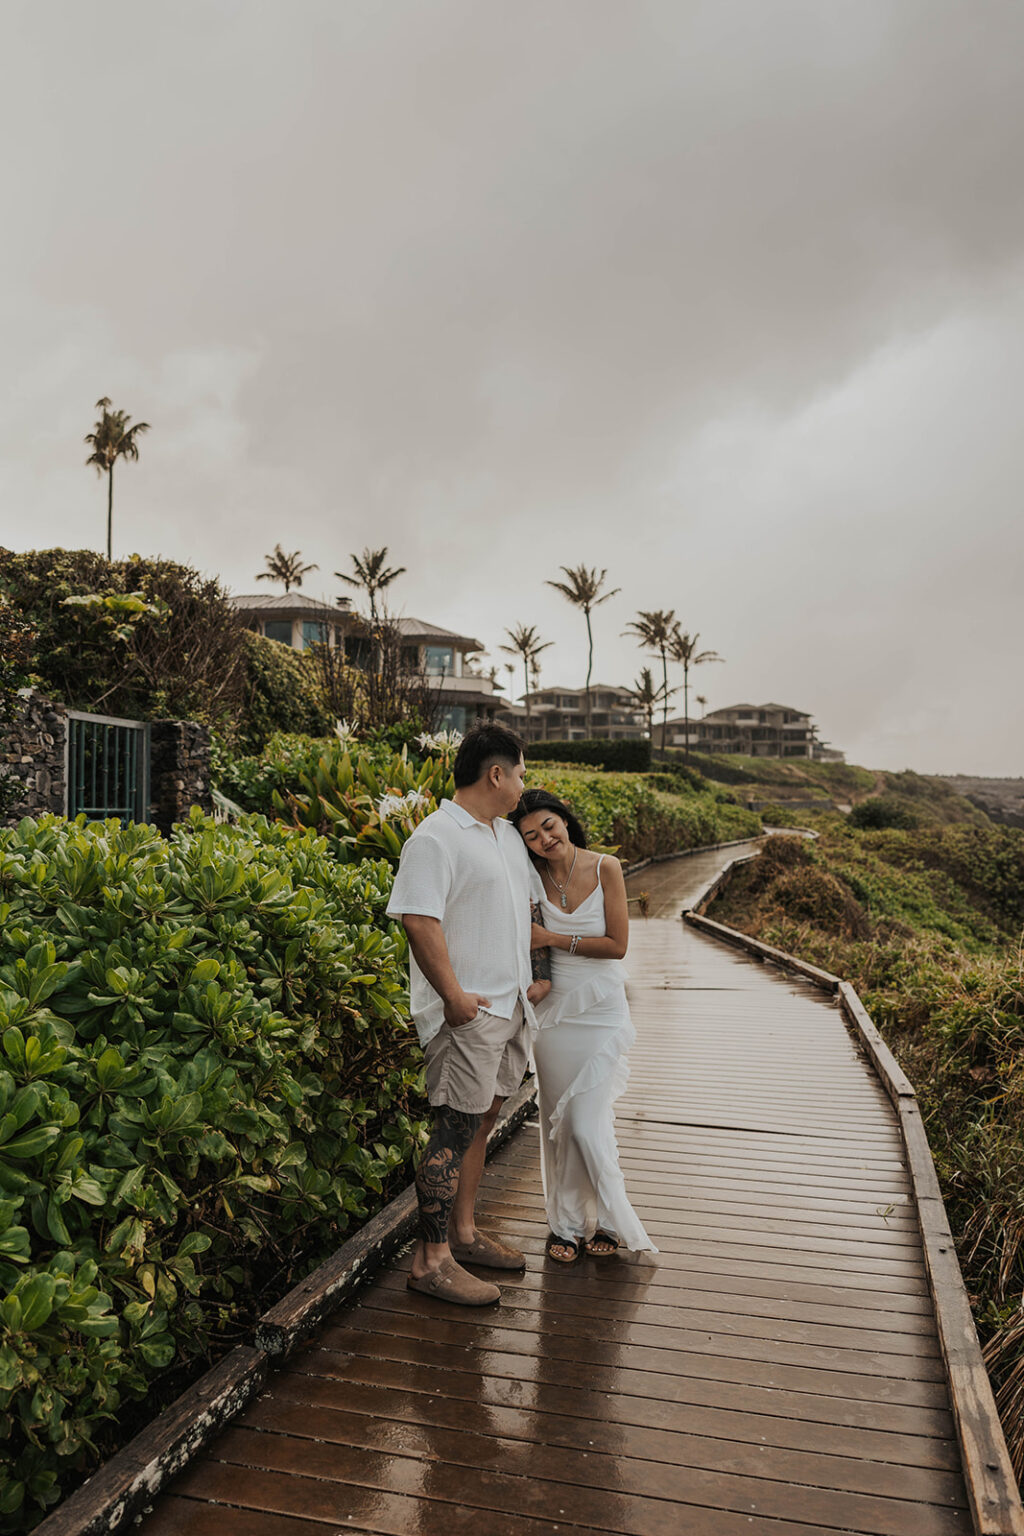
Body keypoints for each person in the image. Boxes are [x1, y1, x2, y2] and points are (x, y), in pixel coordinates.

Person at [387, 724, 551, 1306]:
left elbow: (522, 911)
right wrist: (454, 998)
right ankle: (430, 1262)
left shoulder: (504, 835)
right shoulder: (436, 838)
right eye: (522, 773)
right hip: (467, 1015)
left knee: (483, 1121)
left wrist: (536, 976)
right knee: (453, 1130)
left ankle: (461, 1235)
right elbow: (417, 919)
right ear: (496, 774)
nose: (525, 784)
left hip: (509, 1009)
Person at [509, 788, 656, 1263]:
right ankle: (566, 1224)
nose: (543, 839)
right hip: (554, 1017)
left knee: (585, 1122)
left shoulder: (605, 866)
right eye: (530, 835)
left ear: (565, 820)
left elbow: (617, 945)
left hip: (602, 1009)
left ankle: (613, 1219)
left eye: (548, 826)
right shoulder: (529, 875)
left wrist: (553, 937)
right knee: (560, 1122)